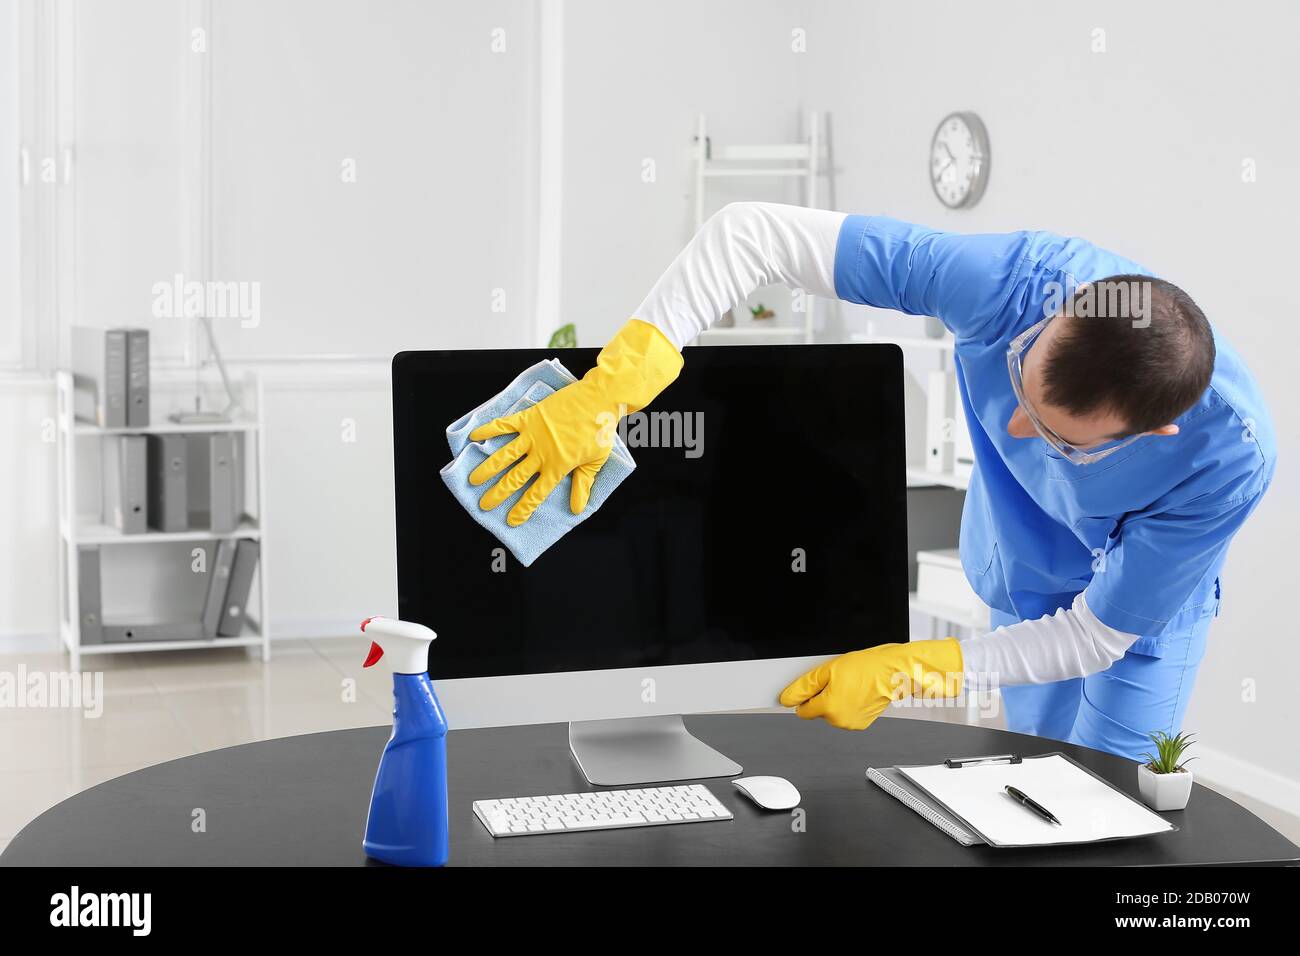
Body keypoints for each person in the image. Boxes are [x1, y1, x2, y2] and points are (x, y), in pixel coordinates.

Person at [468, 202, 1275, 762]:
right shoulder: (1008, 282)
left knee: (1110, 799)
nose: (1013, 428)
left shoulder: (1226, 463)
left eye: (1055, 434)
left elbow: (1093, 638)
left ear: (1152, 433)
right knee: (1039, 771)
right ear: (1061, 312)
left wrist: (906, 668)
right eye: (1020, 383)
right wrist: (614, 387)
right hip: (1025, 570)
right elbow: (752, 237)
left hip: (1132, 615)